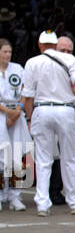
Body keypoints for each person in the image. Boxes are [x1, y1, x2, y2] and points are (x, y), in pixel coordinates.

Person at [21, 30, 75, 217]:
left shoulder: (32, 62)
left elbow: (28, 96)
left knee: (43, 159)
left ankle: (43, 204)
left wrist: (29, 118)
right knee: (69, 158)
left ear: (40, 45)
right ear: (55, 44)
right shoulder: (68, 59)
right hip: (65, 109)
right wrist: (74, 90)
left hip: (42, 109)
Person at [0, 37, 30, 210]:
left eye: (10, 51)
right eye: (5, 51)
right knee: (1, 156)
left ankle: (14, 196)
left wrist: (17, 110)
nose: (8, 55)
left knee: (17, 155)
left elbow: (25, 91)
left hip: (17, 114)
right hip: (1, 114)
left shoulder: (17, 68)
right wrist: (8, 112)